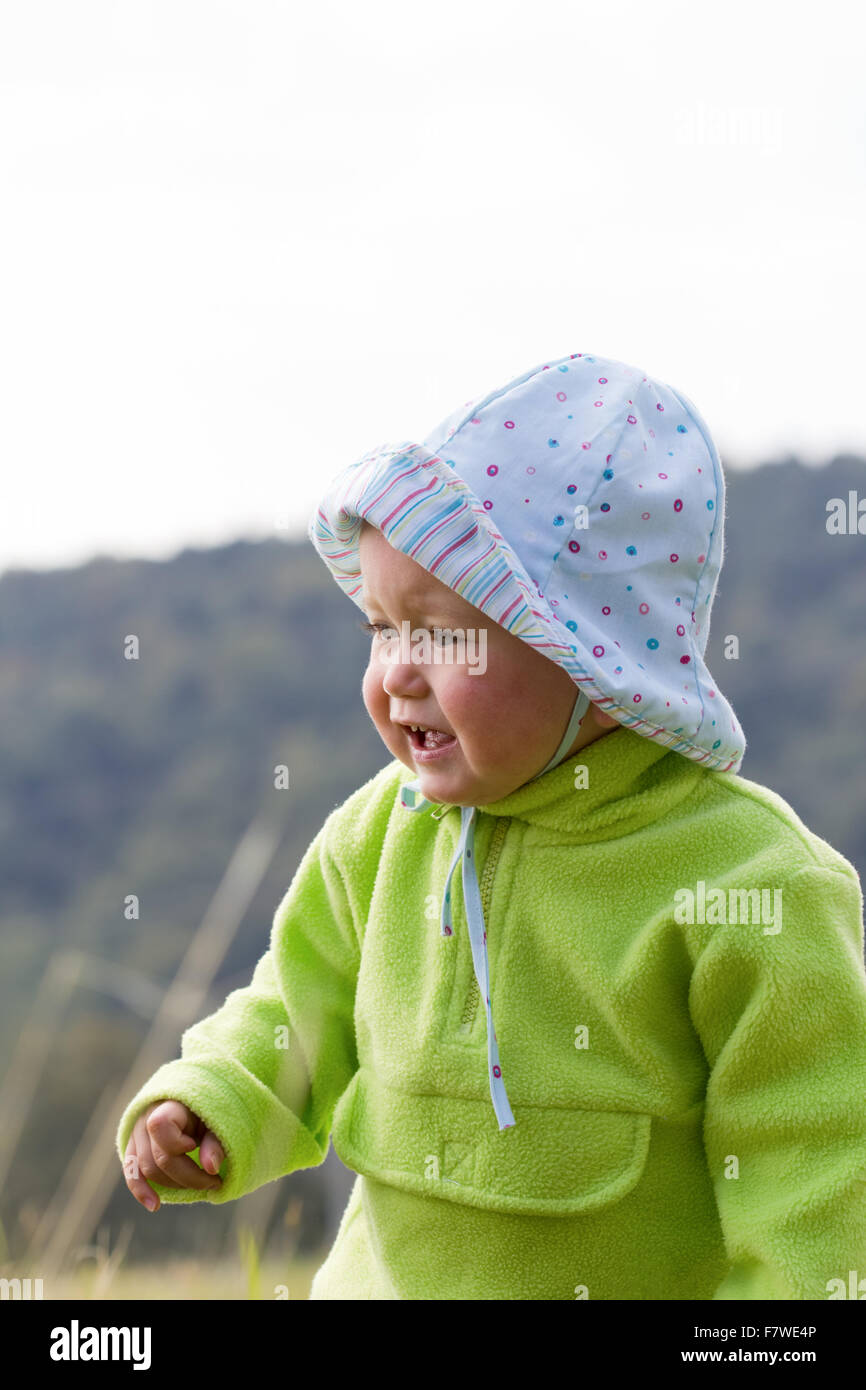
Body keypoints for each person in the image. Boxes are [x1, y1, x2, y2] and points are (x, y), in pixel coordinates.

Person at [117, 350, 866, 1300]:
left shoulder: (753, 883)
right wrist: (215, 1098)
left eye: (442, 633)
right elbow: (293, 1008)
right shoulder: (380, 834)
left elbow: (814, 1179)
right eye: (381, 629)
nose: (397, 671)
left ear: (593, 653)